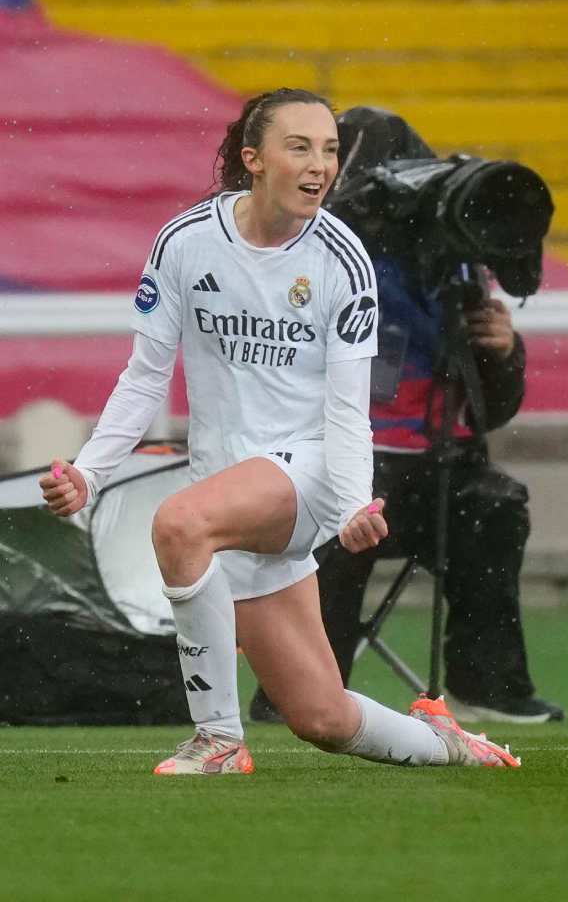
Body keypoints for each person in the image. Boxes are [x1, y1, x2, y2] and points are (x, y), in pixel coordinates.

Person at [40, 88, 519, 774]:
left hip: (310, 472)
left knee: (179, 524)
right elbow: (145, 377)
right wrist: (91, 470)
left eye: (329, 150)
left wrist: (352, 502)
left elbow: (347, 408)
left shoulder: (342, 259)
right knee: (322, 717)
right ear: (253, 159)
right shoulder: (185, 242)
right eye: (300, 147)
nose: (320, 165)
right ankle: (450, 746)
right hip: (230, 485)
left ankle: (217, 741)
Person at [249, 108, 559, 727]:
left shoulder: (456, 254)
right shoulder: (310, 249)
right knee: (341, 519)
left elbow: (491, 411)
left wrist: (504, 352)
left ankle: (488, 684)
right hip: (335, 459)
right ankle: (302, 690)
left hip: (440, 465)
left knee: (495, 508)